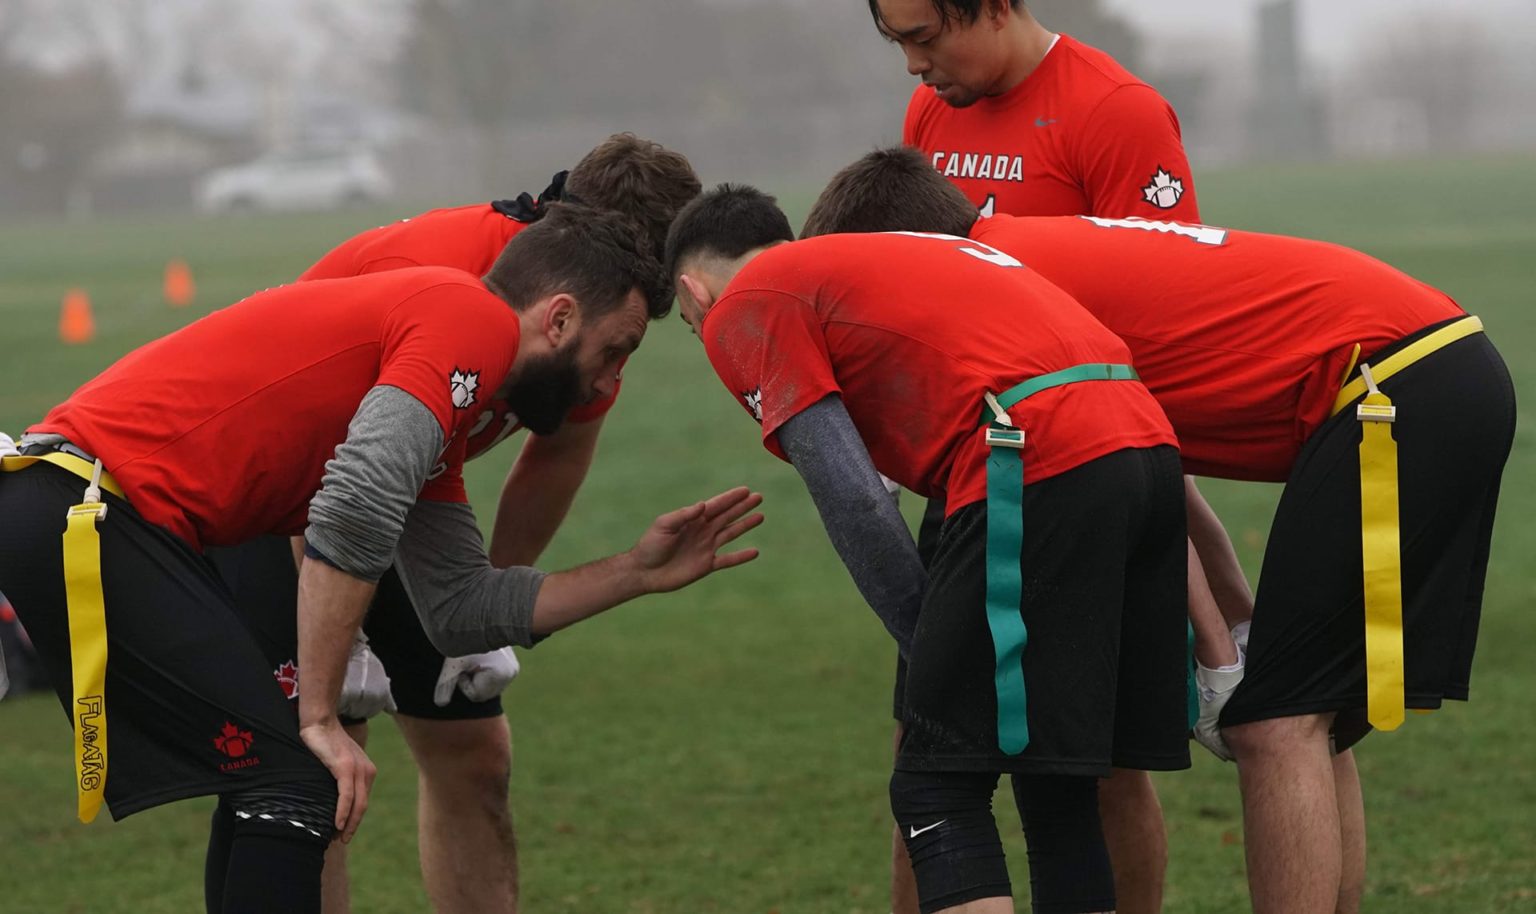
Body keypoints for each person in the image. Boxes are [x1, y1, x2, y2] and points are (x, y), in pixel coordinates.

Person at [799, 145, 1517, 913]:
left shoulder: (1007, 290)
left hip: (1392, 390)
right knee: (1309, 715)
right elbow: (1153, 472)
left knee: (1275, 724)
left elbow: (1109, 474)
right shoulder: (1027, 258)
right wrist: (1233, 624)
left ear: (910, 259)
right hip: (1424, 371)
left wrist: (1218, 656)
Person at [0, 204, 762, 914]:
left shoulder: (448, 411)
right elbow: (360, 498)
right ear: (559, 319)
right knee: (299, 780)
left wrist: (635, 571)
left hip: (90, 516)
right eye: (614, 349)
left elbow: (460, 609)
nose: (609, 381)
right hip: (91, 512)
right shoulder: (468, 318)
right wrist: (323, 713)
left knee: (280, 785)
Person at [208, 132, 702, 914]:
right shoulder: (450, 280)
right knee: (324, 762)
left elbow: (559, 453)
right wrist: (343, 638)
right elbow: (330, 452)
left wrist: (484, 610)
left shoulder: (600, 312)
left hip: (417, 502)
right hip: (286, 500)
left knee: (474, 756)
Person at [666, 183, 1190, 914]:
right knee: (1056, 781)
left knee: (934, 778)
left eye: (691, 325)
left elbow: (849, 494)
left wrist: (933, 649)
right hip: (1149, 448)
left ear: (694, 291)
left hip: (1036, 457)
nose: (705, 337)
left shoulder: (745, 303)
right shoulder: (886, 259)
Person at [870, 2, 1204, 906]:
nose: (912, 65)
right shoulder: (931, 114)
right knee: (927, 742)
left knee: (1094, 763)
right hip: (970, 475)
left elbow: (1162, 313)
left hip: (1085, 476)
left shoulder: (1117, 112)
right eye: (895, 40)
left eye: (926, 36)